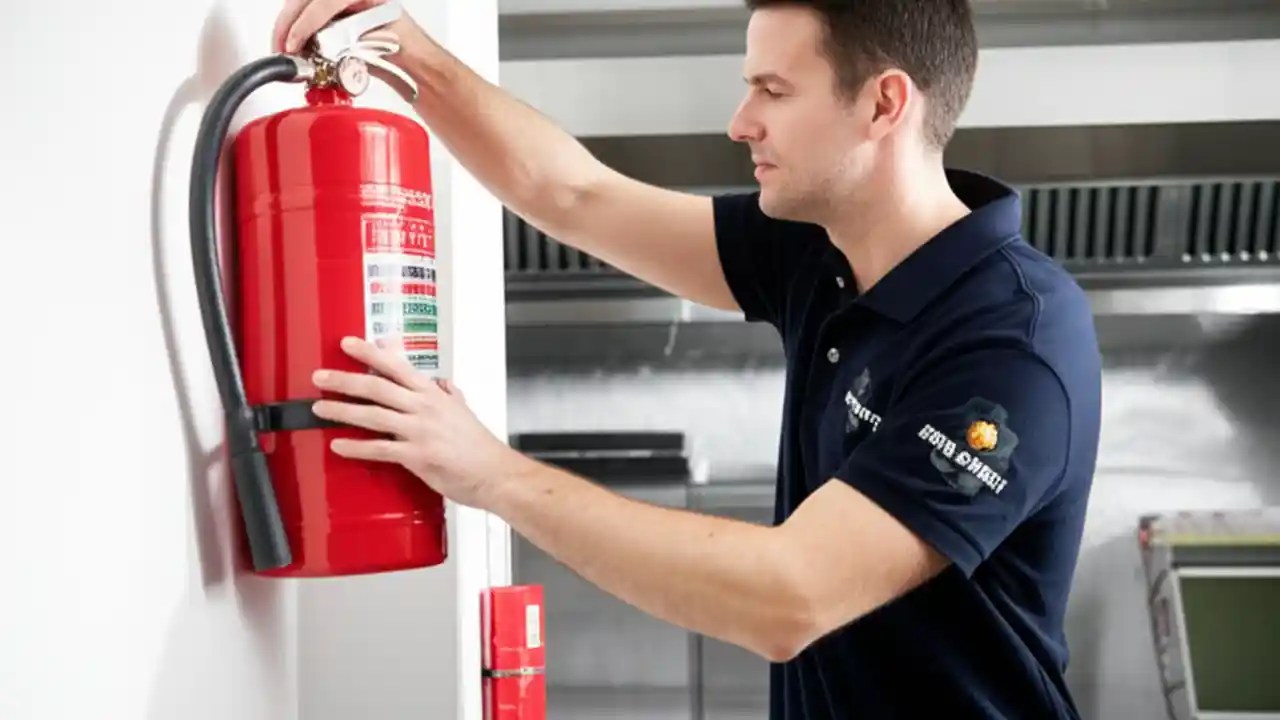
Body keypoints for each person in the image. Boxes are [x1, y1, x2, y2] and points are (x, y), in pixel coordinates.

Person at [277, 0, 1101, 717]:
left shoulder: (1013, 342)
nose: (740, 122)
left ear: (884, 104)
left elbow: (790, 596)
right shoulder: (818, 252)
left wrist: (490, 473)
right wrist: (405, 46)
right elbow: (573, 195)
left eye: (773, 90)